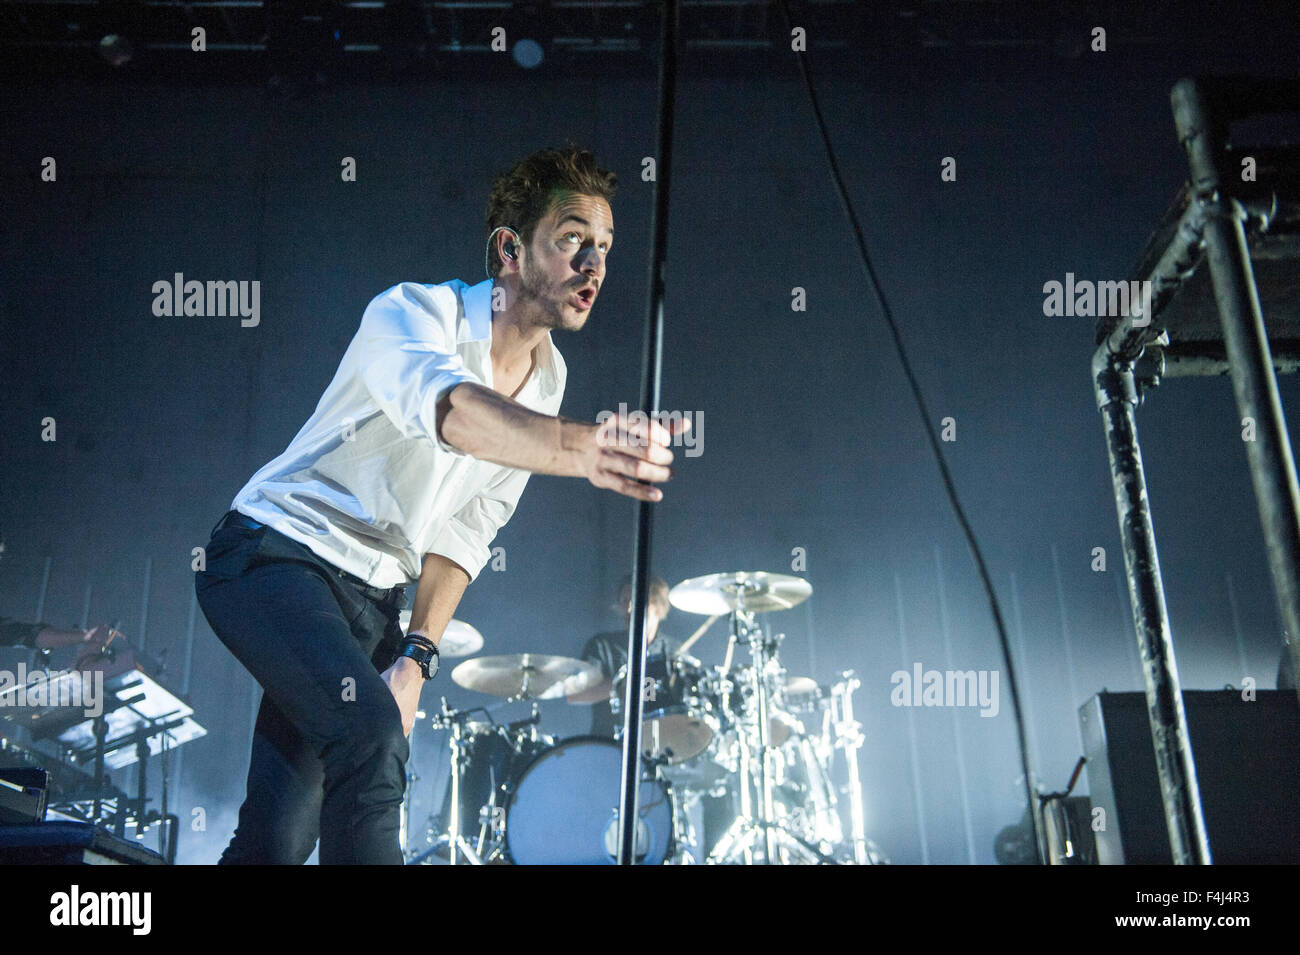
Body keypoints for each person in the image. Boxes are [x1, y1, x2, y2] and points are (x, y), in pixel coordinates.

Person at [194, 145, 688, 865]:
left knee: (276, 840)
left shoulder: (548, 384)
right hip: (272, 555)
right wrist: (582, 450)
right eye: (574, 238)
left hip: (368, 603)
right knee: (369, 739)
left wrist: (416, 657)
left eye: (606, 248)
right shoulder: (411, 314)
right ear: (510, 249)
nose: (595, 266)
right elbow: (452, 410)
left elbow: (465, 530)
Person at [573, 574, 678, 737]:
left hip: (660, 744)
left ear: (658, 605)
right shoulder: (602, 645)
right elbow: (575, 695)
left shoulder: (674, 651)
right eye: (624, 601)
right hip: (607, 745)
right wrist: (621, 686)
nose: (628, 609)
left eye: (635, 601)